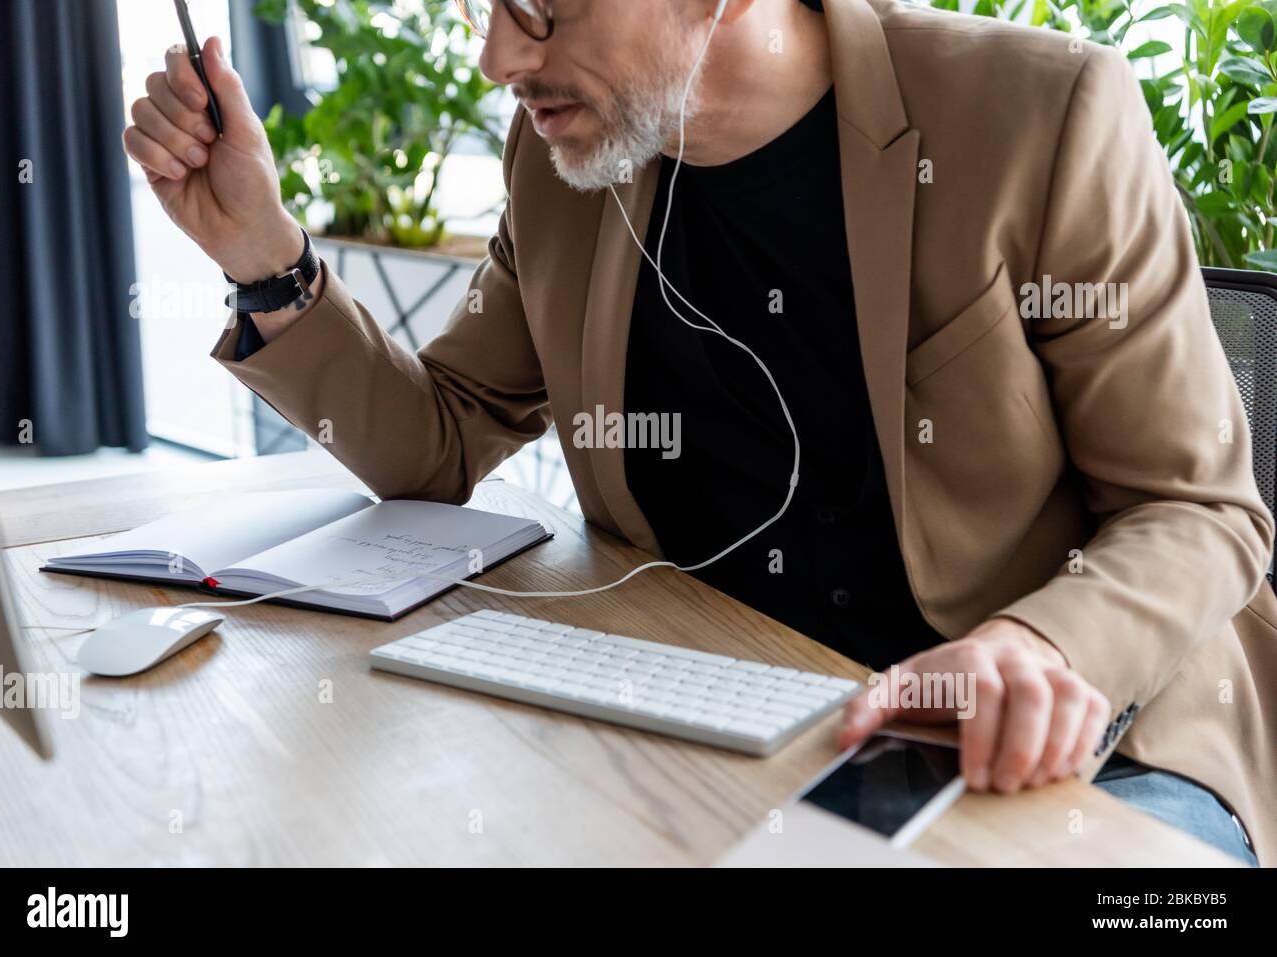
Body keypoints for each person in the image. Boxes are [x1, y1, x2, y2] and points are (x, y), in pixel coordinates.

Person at [123, 0, 1275, 865]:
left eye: (538, 9)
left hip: (1081, 743)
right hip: (741, 715)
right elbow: (441, 439)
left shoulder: (1040, 112)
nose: (496, 60)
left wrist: (1043, 648)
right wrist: (265, 257)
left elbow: (1198, 506)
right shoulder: (565, 162)